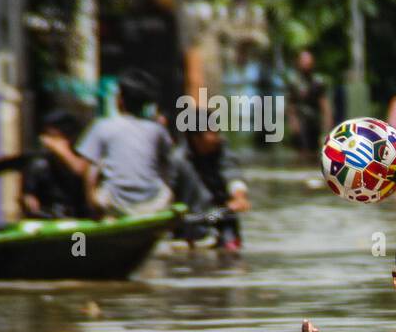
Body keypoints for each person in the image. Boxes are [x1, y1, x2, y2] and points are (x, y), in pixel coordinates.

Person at [72, 68, 174, 217]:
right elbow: (166, 164)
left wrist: (91, 202)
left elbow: (82, 169)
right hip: (154, 204)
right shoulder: (157, 130)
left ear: (120, 100)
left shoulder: (102, 126)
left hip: (116, 204)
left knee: (95, 166)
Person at [170, 129, 250, 249]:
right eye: (212, 133)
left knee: (233, 255)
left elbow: (233, 175)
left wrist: (239, 198)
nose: (218, 137)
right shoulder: (177, 159)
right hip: (188, 225)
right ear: (196, 137)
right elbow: (166, 187)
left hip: (221, 220)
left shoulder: (223, 152)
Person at [24, 109, 90, 219]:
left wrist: (63, 152)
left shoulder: (81, 155)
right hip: (49, 216)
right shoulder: (39, 163)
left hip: (78, 216)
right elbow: (29, 195)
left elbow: (81, 171)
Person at [286, 50, 332, 153]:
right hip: (300, 121)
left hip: (315, 122)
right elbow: (290, 104)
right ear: (298, 62)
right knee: (301, 149)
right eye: (304, 60)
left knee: (315, 149)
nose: (307, 63)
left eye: (309, 60)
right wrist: (293, 122)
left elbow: (324, 103)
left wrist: (328, 123)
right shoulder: (293, 82)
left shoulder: (318, 82)